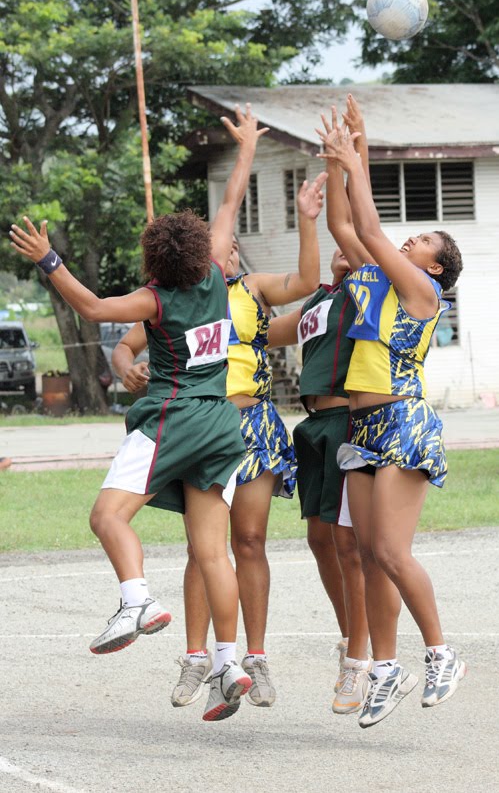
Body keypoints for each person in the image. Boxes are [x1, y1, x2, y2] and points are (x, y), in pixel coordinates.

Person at [9, 104, 273, 723]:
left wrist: (49, 261)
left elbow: (97, 310)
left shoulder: (156, 299)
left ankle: (137, 602)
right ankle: (229, 662)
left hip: (174, 417)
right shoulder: (216, 273)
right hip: (221, 423)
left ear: (155, 262)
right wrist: (247, 150)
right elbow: (232, 200)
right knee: (214, 552)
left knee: (106, 516)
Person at [113, 171, 328, 709]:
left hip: (252, 427)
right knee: (201, 547)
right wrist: (126, 369)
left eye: (231, 246)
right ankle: (196, 657)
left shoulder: (251, 294)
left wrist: (308, 221)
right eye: (218, 246)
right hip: (200, 423)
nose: (226, 251)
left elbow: (305, 282)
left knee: (249, 542)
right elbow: (125, 343)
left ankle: (251, 657)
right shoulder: (182, 297)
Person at [316, 114, 466, 728]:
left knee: (391, 551)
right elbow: (344, 225)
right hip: (362, 430)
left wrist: (360, 159)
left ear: (434, 267)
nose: (408, 243)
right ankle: (385, 669)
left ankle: (442, 653)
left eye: (420, 243)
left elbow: (371, 227)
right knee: (366, 553)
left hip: (404, 422)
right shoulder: (378, 279)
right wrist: (338, 157)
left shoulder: (423, 296)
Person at [267, 96, 371, 716]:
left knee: (349, 544)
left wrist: (351, 154)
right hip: (312, 427)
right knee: (317, 540)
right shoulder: (315, 305)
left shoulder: (365, 287)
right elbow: (253, 331)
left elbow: (353, 226)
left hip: (349, 420)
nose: (343, 249)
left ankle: (360, 657)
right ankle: (348, 641)